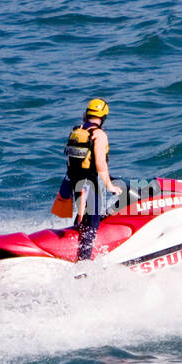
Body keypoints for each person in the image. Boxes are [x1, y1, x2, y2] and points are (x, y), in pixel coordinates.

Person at [53, 98, 123, 260]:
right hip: (91, 183)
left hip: (76, 181)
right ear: (103, 117)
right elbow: (100, 163)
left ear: (86, 114)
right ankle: (84, 262)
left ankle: (75, 244)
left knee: (83, 216)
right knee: (92, 224)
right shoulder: (99, 134)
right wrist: (109, 185)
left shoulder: (77, 131)